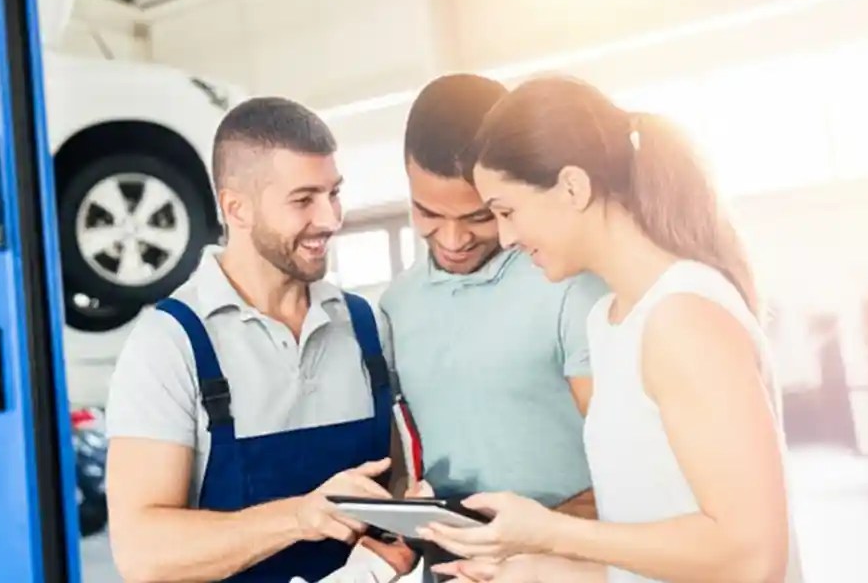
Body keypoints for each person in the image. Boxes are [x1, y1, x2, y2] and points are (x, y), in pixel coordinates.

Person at [419, 75, 801, 583]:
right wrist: (526, 571)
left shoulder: (682, 316)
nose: (506, 237)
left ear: (573, 187)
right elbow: (645, 556)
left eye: (506, 211)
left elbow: (752, 559)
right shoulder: (609, 320)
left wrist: (550, 532)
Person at [104, 97, 409, 583]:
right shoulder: (170, 344)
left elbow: (392, 485)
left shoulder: (364, 327)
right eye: (303, 199)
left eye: (333, 193)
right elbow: (143, 553)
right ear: (235, 208)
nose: (330, 218)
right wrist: (299, 517)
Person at [372, 74, 609, 579]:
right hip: (452, 569)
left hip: (565, 567)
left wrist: (521, 545)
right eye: (428, 213)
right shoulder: (395, 305)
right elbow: (404, 460)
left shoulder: (568, 281)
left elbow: (632, 471)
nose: (453, 239)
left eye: (480, 216)